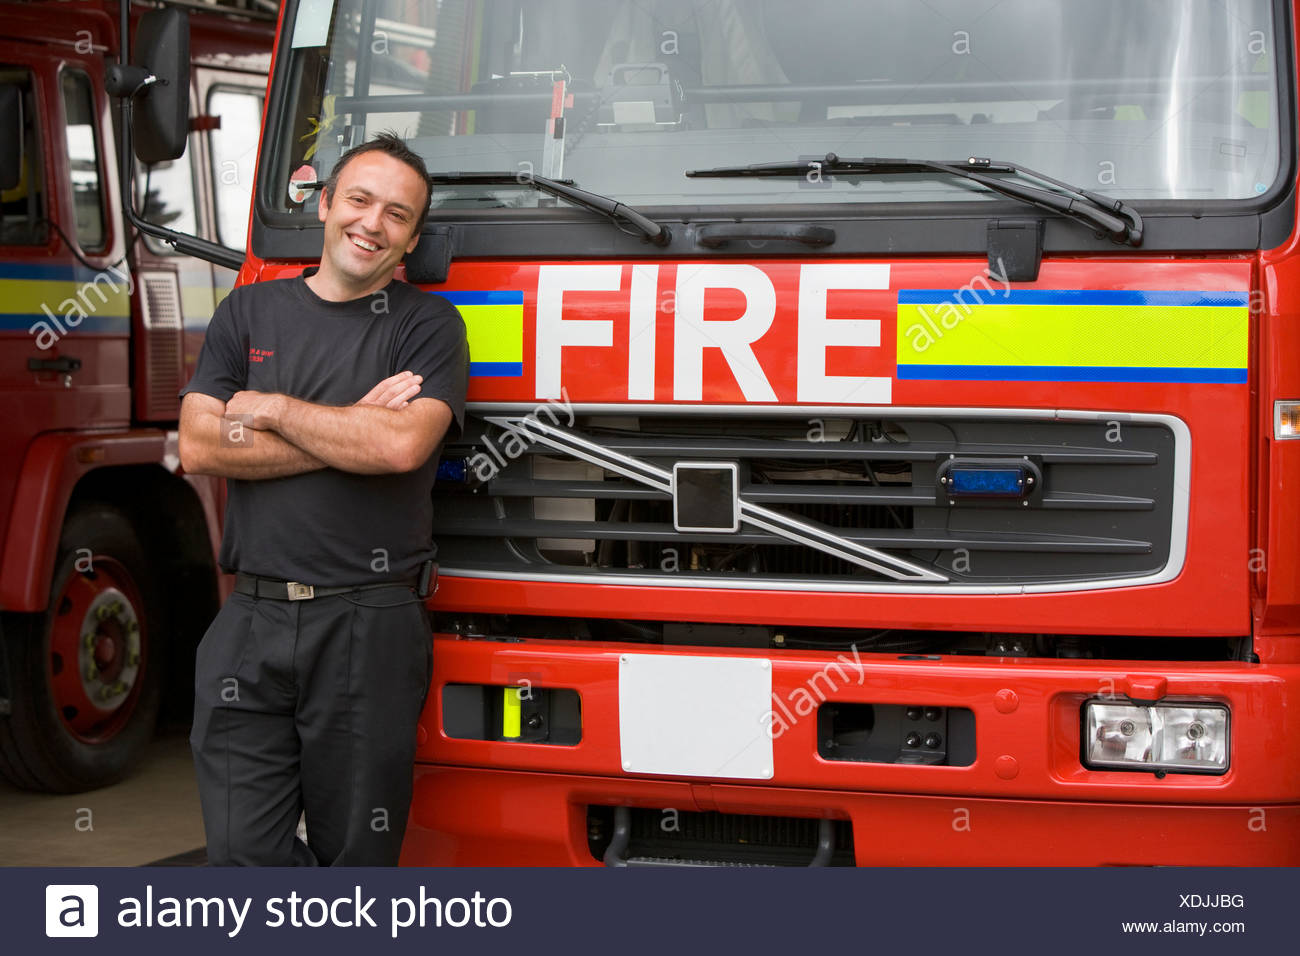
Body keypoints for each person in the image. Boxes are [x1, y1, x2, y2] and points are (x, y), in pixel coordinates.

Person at [177, 133, 468, 866]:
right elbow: (202, 448)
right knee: (242, 855)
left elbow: (398, 449)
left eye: (397, 215)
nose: (373, 224)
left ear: (410, 240)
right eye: (360, 200)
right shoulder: (247, 313)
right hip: (251, 617)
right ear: (326, 204)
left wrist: (267, 407)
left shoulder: (429, 327)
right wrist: (351, 421)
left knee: (355, 863)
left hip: (368, 620)